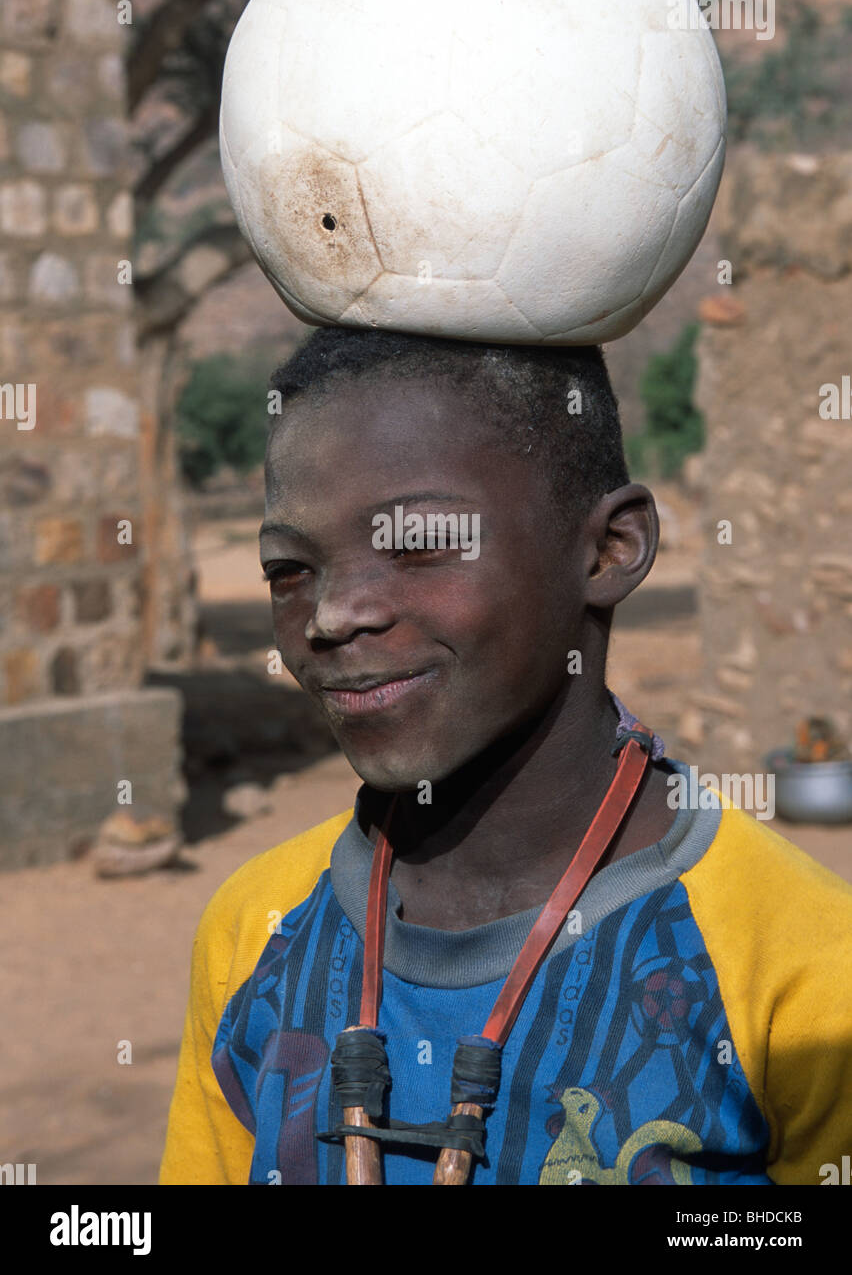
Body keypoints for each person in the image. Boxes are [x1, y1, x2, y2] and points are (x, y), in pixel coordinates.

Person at [160, 327, 852, 1186]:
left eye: (418, 544)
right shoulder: (256, 930)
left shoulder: (809, 968)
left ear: (610, 549)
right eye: (288, 569)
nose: (331, 614)